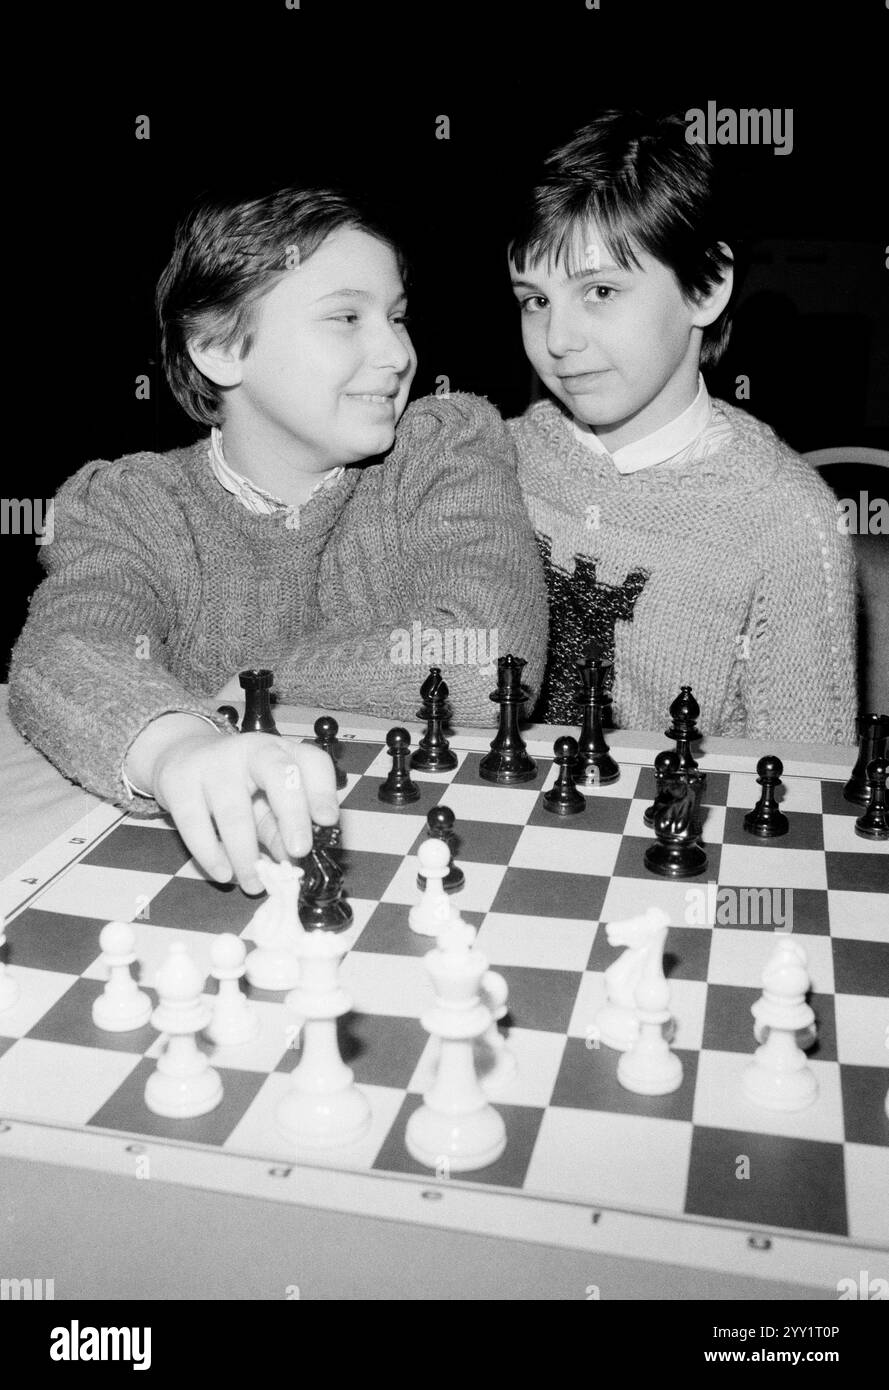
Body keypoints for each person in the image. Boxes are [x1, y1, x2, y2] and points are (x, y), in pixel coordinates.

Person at [9, 187, 547, 894]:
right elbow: (67, 650)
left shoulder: (442, 452)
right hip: (215, 885)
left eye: (396, 317)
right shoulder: (134, 506)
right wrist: (176, 745)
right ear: (220, 347)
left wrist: (246, 685)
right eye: (345, 318)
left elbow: (489, 661)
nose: (396, 354)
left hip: (434, 867)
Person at [506, 110, 856, 742]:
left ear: (708, 286)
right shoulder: (495, 458)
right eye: (536, 301)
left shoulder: (789, 524)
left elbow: (804, 797)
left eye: (601, 292)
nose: (557, 339)